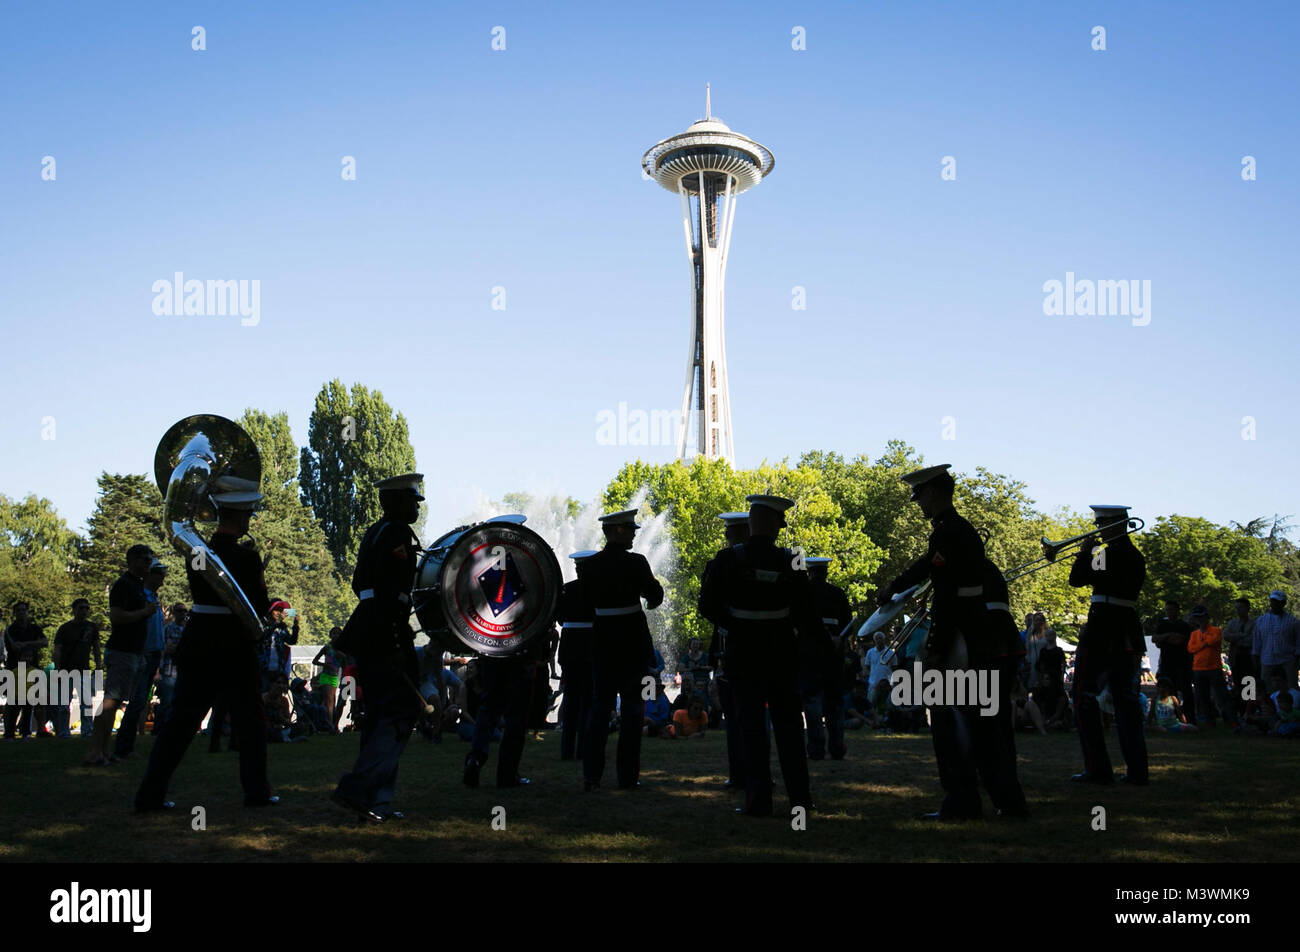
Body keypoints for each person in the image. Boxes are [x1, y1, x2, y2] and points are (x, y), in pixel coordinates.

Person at [134, 479, 278, 811]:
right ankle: (256, 792)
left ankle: (149, 795)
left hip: (199, 640)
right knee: (251, 721)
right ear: (242, 517)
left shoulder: (196, 551)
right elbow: (258, 604)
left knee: (181, 722)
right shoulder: (247, 557)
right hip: (234, 643)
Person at [877, 465, 992, 820]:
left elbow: (946, 594)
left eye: (921, 497)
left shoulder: (947, 533)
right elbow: (927, 568)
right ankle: (970, 797)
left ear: (933, 493)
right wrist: (895, 586)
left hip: (957, 638)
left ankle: (960, 799)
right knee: (966, 719)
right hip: (971, 634)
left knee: (948, 722)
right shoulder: (956, 530)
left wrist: (937, 646)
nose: (919, 505)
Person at [698, 494, 815, 817]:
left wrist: (736, 623)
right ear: (777, 526)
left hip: (743, 653)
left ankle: (758, 799)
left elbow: (707, 606)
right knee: (790, 729)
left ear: (751, 524)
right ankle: (800, 800)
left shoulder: (727, 560)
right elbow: (806, 610)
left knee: (752, 728)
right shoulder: (795, 559)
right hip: (781, 653)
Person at [331, 474, 425, 823]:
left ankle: (376, 803)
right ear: (397, 502)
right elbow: (391, 595)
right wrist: (397, 643)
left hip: (368, 629)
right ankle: (358, 789)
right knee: (400, 714)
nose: (416, 506)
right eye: (412, 500)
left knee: (379, 718)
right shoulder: (398, 534)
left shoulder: (375, 532)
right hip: (386, 632)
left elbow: (361, 583)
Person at [579, 509, 665, 791]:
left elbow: (585, 602)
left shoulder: (588, 566)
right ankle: (628, 777)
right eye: (629, 529)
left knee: (599, 710)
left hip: (602, 641)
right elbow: (654, 595)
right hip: (633, 644)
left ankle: (592, 776)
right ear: (616, 530)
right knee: (632, 710)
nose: (633, 534)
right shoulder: (636, 562)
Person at [1068, 505, 1148, 786]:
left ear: (1117, 524)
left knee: (1083, 699)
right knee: (1126, 703)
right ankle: (1138, 771)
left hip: (1102, 630)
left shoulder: (1106, 553)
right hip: (1126, 631)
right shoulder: (1135, 555)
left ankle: (1098, 769)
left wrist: (1084, 551)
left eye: (1101, 524)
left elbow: (1077, 579)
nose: (1097, 529)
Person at [85, 546, 155, 765]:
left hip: (133, 651)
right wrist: (144, 612)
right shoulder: (124, 585)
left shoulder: (137, 585)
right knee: (110, 702)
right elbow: (116, 616)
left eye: (150, 560)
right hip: (122, 651)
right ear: (132, 560)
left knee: (115, 704)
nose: (148, 564)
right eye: (145, 560)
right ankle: (95, 751)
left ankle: (104, 751)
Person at [975, 555, 1030, 817]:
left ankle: (1004, 794)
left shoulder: (969, 569)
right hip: (1001, 644)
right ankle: (1006, 788)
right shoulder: (988, 569)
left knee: (987, 725)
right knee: (997, 722)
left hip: (986, 644)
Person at [704, 511, 751, 788]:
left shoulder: (720, 562)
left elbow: (707, 604)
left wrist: (728, 623)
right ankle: (754, 775)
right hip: (752, 643)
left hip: (730, 642)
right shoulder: (778, 557)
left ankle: (739, 774)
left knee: (736, 716)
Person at [114, 559, 168, 759]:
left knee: (141, 703)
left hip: (153, 654)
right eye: (159, 574)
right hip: (142, 653)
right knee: (135, 702)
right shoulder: (141, 597)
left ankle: (127, 745)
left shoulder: (154, 597)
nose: (162, 579)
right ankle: (123, 747)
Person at [798, 557, 850, 760]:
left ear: (810, 572)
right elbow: (849, 625)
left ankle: (816, 748)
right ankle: (837, 747)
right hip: (833, 656)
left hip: (809, 654)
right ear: (826, 573)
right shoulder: (837, 593)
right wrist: (838, 639)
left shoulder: (803, 594)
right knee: (834, 703)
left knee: (811, 702)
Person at [556, 550, 597, 761]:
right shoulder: (600, 590)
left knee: (571, 700)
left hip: (570, 648)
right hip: (591, 648)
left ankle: (566, 749)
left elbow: (560, 619)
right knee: (588, 701)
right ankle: (583, 748)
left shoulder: (566, 590)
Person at [52, 599, 101, 739]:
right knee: (63, 705)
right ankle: (63, 731)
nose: (84, 610)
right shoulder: (64, 628)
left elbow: (96, 648)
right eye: (81, 608)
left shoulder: (92, 628)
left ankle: (87, 730)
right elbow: (57, 650)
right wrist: (58, 669)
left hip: (84, 670)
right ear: (74, 610)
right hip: (66, 670)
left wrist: (98, 666)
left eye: (86, 608)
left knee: (86, 703)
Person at [3, 601, 49, 739]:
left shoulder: (34, 628)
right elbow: (14, 647)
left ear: (27, 612)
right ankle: (9, 731)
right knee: (13, 703)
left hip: (32, 668)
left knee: (33, 702)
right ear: (15, 613)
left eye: (24, 610)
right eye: (19, 610)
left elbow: (45, 642)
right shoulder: (10, 630)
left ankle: (35, 730)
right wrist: (32, 645)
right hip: (14, 669)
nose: (22, 612)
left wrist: (26, 644)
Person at [1187, 606, 1231, 727]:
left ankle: (1229, 718)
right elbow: (1190, 648)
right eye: (1197, 617)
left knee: (1221, 695)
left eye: (1201, 617)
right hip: (1198, 669)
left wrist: (1200, 645)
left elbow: (1214, 641)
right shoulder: (1194, 634)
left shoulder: (1216, 630)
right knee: (1203, 697)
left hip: (1214, 667)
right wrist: (1204, 644)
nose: (1199, 619)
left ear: (1206, 617)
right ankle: (1209, 720)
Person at [1153, 599, 1195, 724]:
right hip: (1166, 663)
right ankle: (1173, 716)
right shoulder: (1162, 624)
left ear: (1178, 610)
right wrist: (1169, 635)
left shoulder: (1183, 626)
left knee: (1186, 691)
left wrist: (1164, 638)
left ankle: (1189, 717)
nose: (1169, 612)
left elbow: (1180, 640)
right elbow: (1155, 639)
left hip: (1183, 663)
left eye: (1171, 609)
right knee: (1169, 690)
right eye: (1167, 610)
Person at [1252, 591, 1299, 694]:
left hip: (1287, 660)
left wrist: (1296, 658)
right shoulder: (1261, 620)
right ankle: (1270, 708)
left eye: (1278, 602)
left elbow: (1298, 642)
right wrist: (1255, 657)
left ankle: (1294, 708)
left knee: (1291, 687)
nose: (1274, 604)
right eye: (1272, 601)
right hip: (1267, 660)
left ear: (1283, 603)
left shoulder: (1293, 621)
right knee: (1268, 688)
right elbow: (1257, 641)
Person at [154, 603, 187, 734]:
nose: (182, 613)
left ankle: (176, 730)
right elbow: (164, 649)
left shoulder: (189, 630)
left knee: (181, 703)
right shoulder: (167, 629)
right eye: (179, 611)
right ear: (174, 612)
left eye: (185, 611)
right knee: (166, 702)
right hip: (168, 671)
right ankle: (160, 728)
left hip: (184, 672)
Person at [1222, 598, 1256, 719]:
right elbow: (1226, 635)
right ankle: (1240, 712)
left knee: (1249, 685)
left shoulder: (1254, 623)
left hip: (1249, 659)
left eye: (1240, 607)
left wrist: (1236, 638)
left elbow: (1252, 640)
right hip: (1236, 659)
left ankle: (1249, 712)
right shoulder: (1232, 623)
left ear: (1247, 608)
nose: (1238, 610)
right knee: (1238, 685)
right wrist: (1241, 636)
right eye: (1236, 608)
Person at [312, 637, 343, 732]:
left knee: (333, 701)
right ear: (330, 635)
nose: (336, 635)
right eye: (334, 633)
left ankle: (333, 724)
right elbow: (315, 661)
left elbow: (345, 662)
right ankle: (330, 725)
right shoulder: (327, 648)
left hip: (335, 676)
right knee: (329, 701)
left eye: (338, 634)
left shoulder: (342, 649)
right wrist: (325, 665)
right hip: (326, 675)